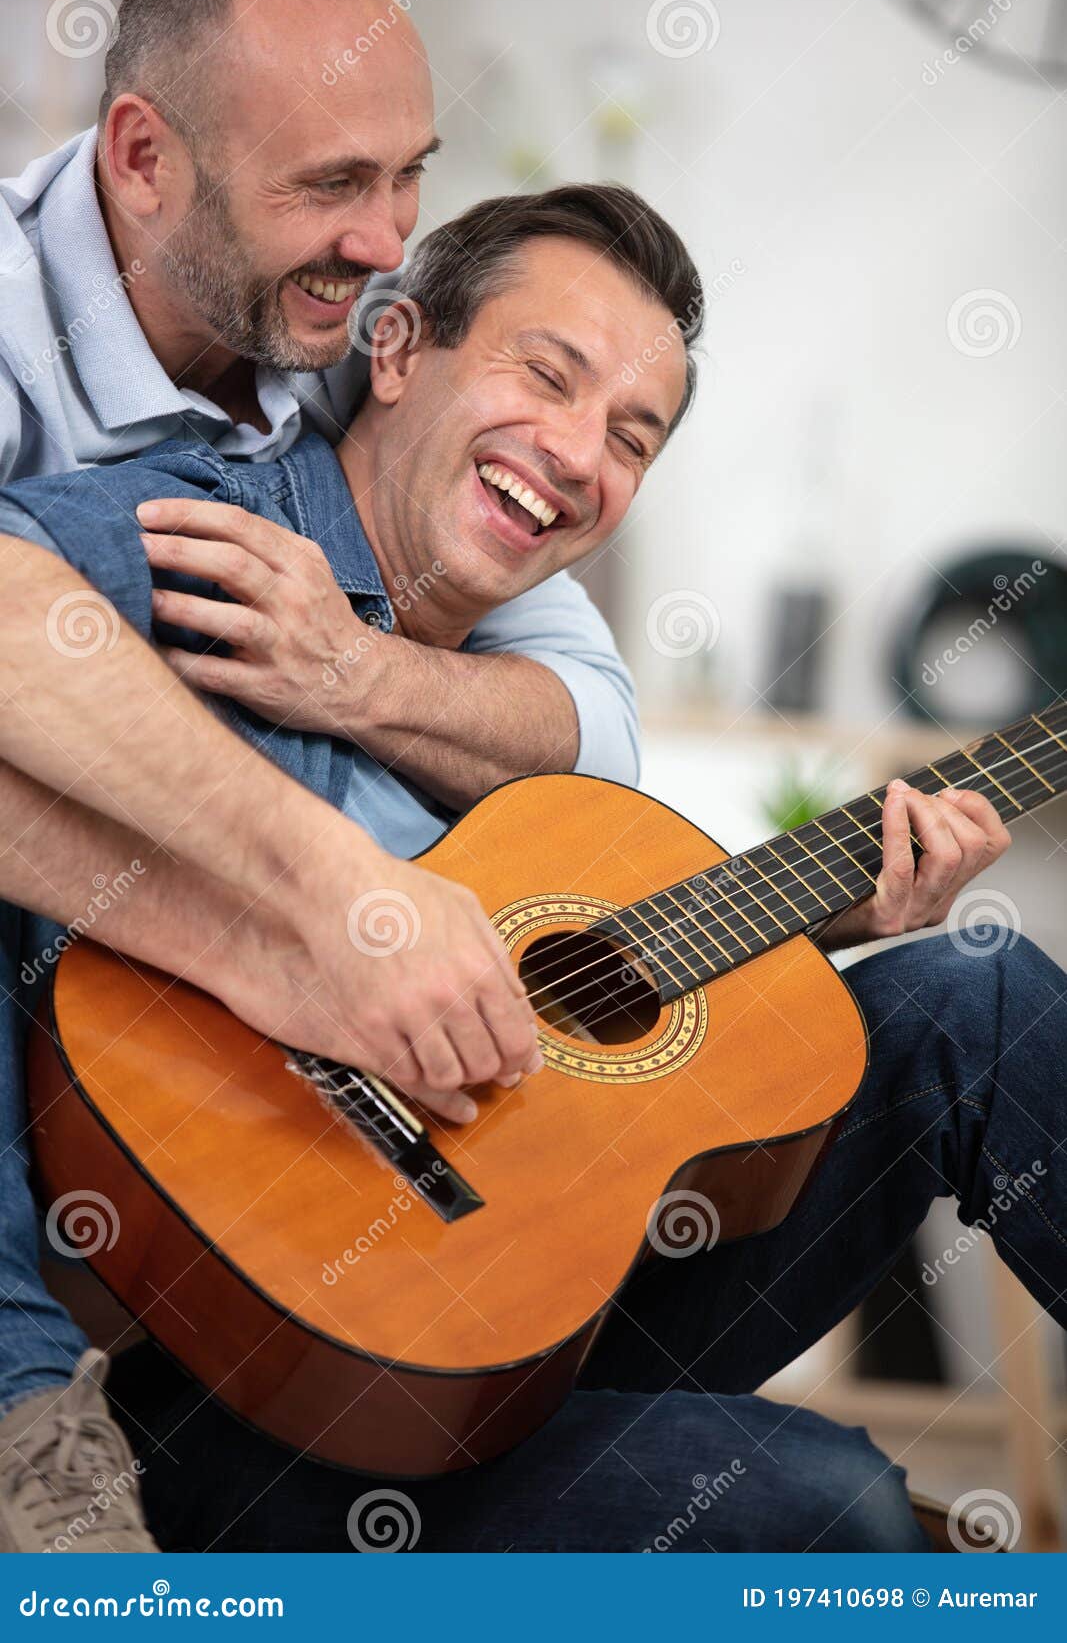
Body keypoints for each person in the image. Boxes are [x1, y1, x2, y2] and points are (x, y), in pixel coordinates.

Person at [2, 183, 1063, 1553]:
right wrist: (320, 916)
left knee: (976, 994)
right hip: (234, 1384)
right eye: (546, 373)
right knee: (835, 1506)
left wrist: (833, 923)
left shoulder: (544, 664)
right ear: (394, 350)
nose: (575, 453)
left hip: (507, 1311)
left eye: (630, 437)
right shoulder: (215, 533)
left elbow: (578, 1019)